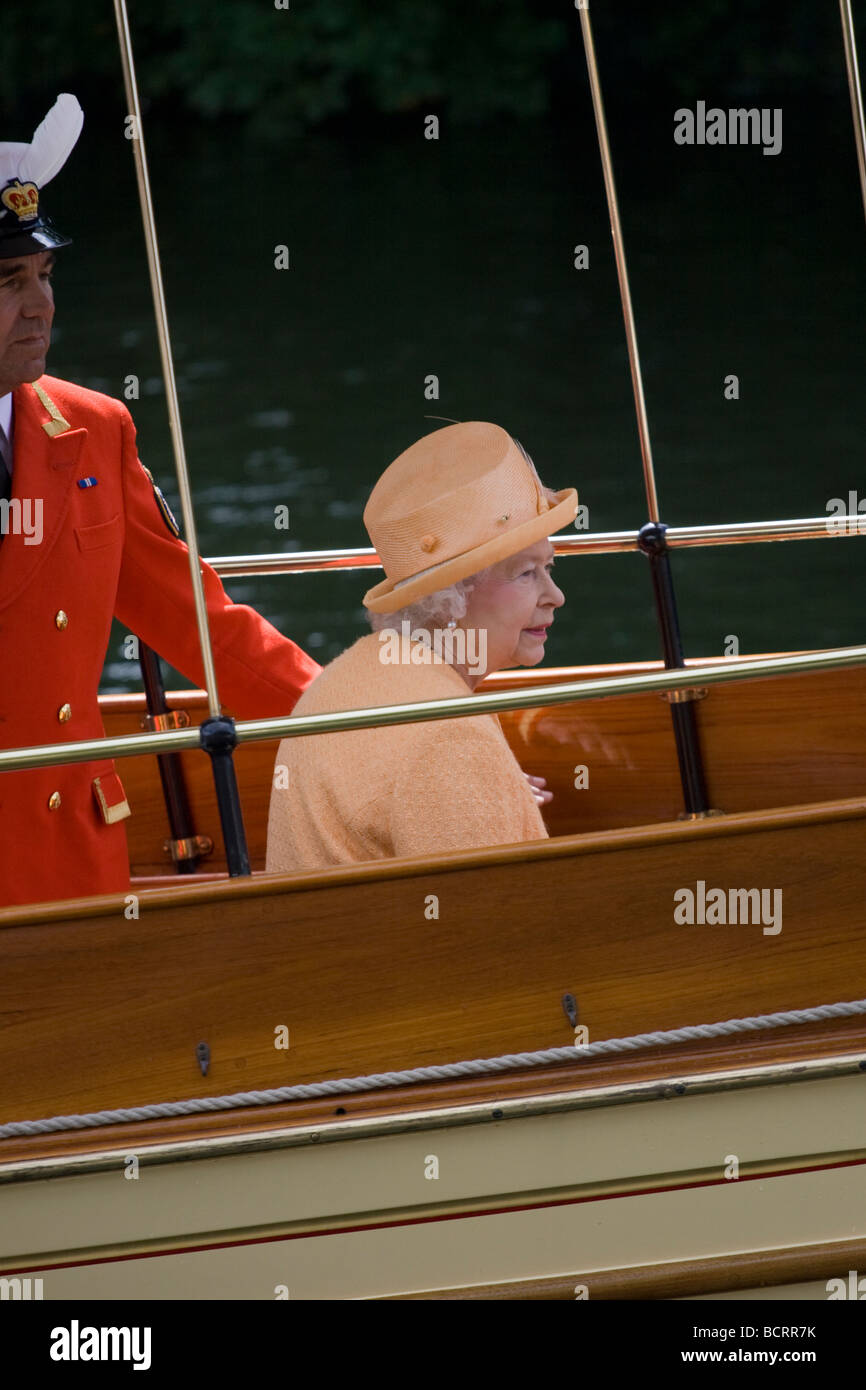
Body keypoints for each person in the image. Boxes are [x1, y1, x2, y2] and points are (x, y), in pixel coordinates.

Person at [0, 96, 321, 908]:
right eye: (8, 282)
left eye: (43, 275)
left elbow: (200, 624)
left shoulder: (93, 430)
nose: (41, 306)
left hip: (75, 862)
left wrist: (366, 724)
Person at [266, 419, 577, 871]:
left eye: (550, 567)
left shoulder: (357, 669)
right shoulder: (450, 736)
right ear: (452, 595)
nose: (556, 596)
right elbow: (501, 924)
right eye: (527, 573)